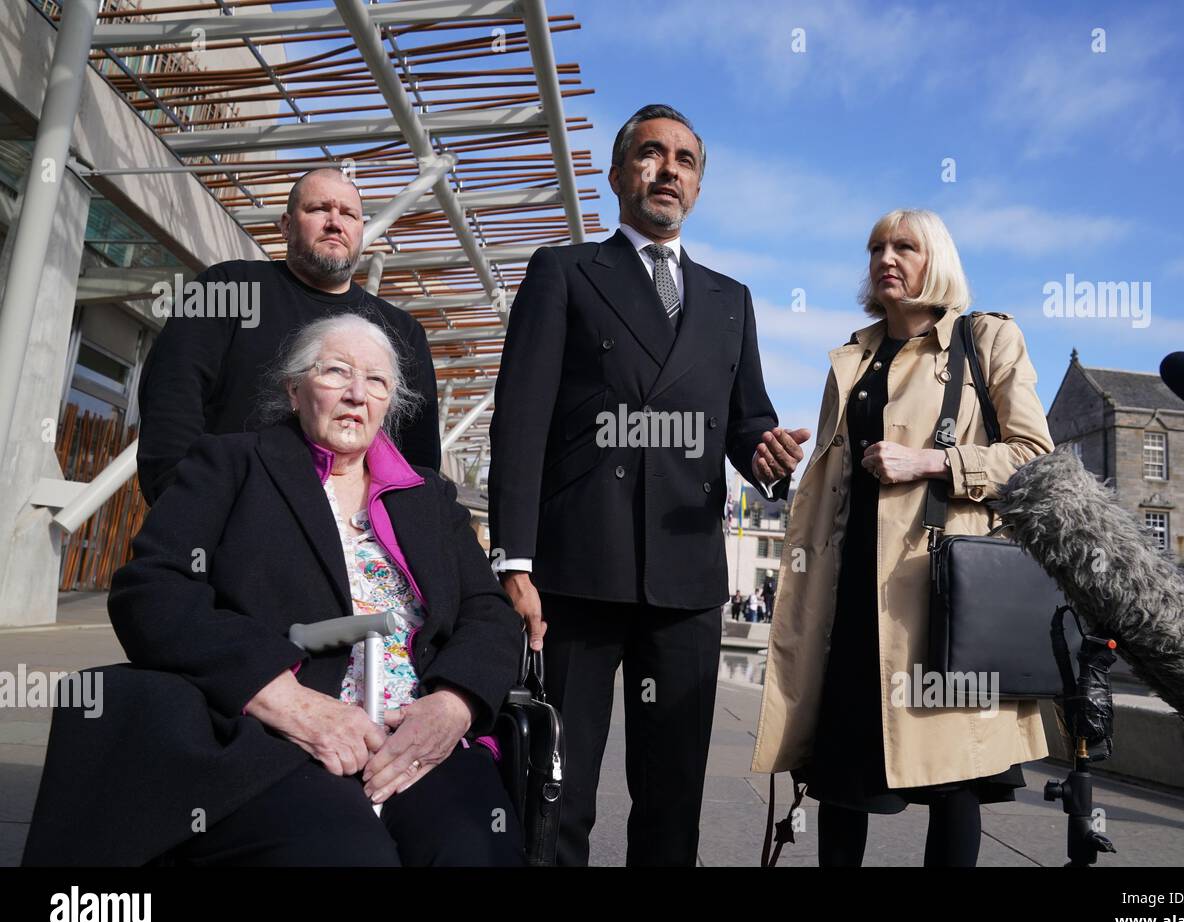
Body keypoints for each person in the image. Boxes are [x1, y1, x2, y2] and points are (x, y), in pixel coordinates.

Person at [24, 315, 521, 867]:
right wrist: (285, 700)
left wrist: (455, 704)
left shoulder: (427, 496)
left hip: (417, 734)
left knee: (472, 852)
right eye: (336, 372)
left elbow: (489, 613)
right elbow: (153, 590)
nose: (358, 393)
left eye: (377, 382)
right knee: (345, 856)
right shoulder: (231, 463)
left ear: (391, 403)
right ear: (294, 387)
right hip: (276, 735)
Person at [488, 104, 809, 866]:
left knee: (672, 801)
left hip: (685, 580)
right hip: (577, 571)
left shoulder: (731, 300)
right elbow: (520, 420)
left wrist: (764, 454)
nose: (669, 170)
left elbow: (746, 421)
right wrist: (513, 559)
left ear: (697, 187)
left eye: (685, 161)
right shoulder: (562, 271)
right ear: (618, 172)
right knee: (558, 787)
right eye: (651, 154)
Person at [750, 209, 1054, 867]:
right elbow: (836, 491)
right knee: (839, 780)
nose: (886, 257)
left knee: (953, 785)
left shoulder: (988, 339)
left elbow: (1034, 457)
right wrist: (786, 468)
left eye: (904, 246)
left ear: (936, 259)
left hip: (945, 599)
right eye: (876, 247)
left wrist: (935, 462)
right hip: (856, 597)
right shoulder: (854, 359)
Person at [135, 167, 441, 504]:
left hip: (354, 536)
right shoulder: (227, 288)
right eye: (319, 209)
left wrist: (409, 525)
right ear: (286, 225)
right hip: (229, 514)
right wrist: (180, 502)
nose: (335, 222)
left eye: (350, 215)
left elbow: (418, 452)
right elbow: (172, 397)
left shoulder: (401, 331)